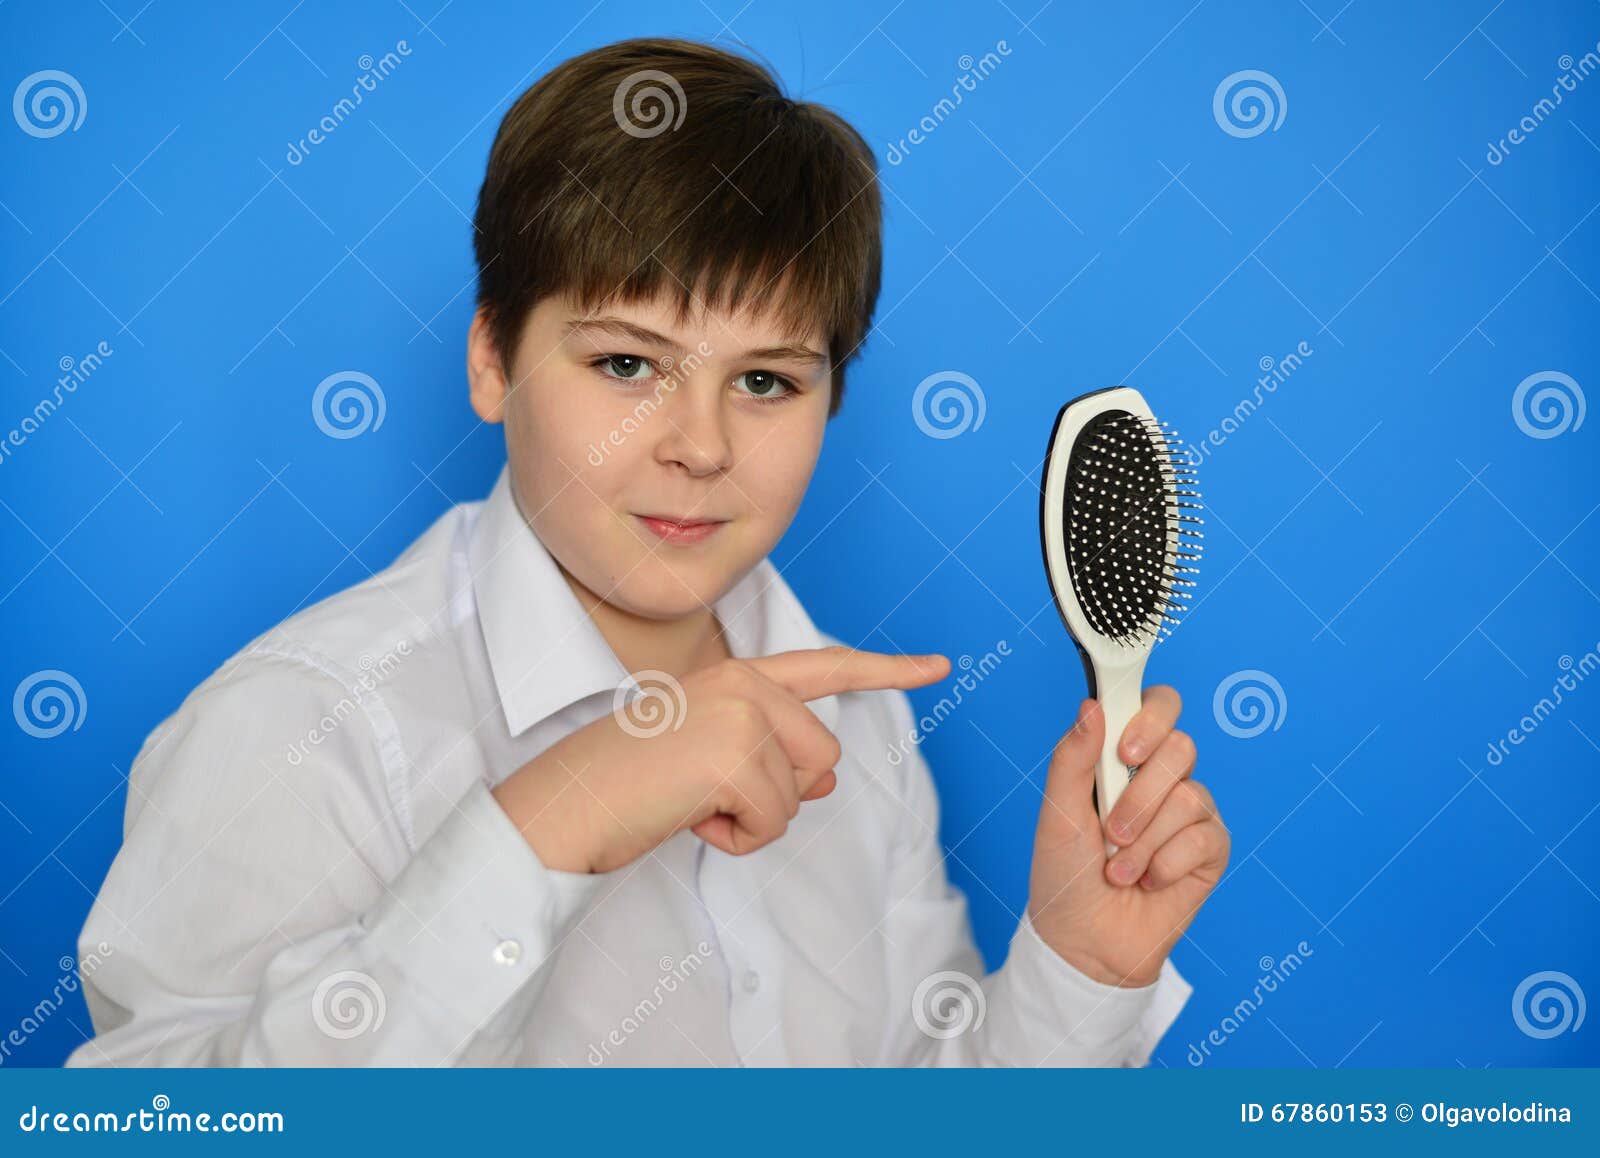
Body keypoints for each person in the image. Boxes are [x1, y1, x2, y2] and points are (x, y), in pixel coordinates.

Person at [67, 36, 1227, 1067]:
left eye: (766, 381)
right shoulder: (299, 726)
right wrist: (551, 821)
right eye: (626, 365)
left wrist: (1081, 970)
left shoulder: (860, 728)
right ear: (489, 362)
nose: (700, 446)